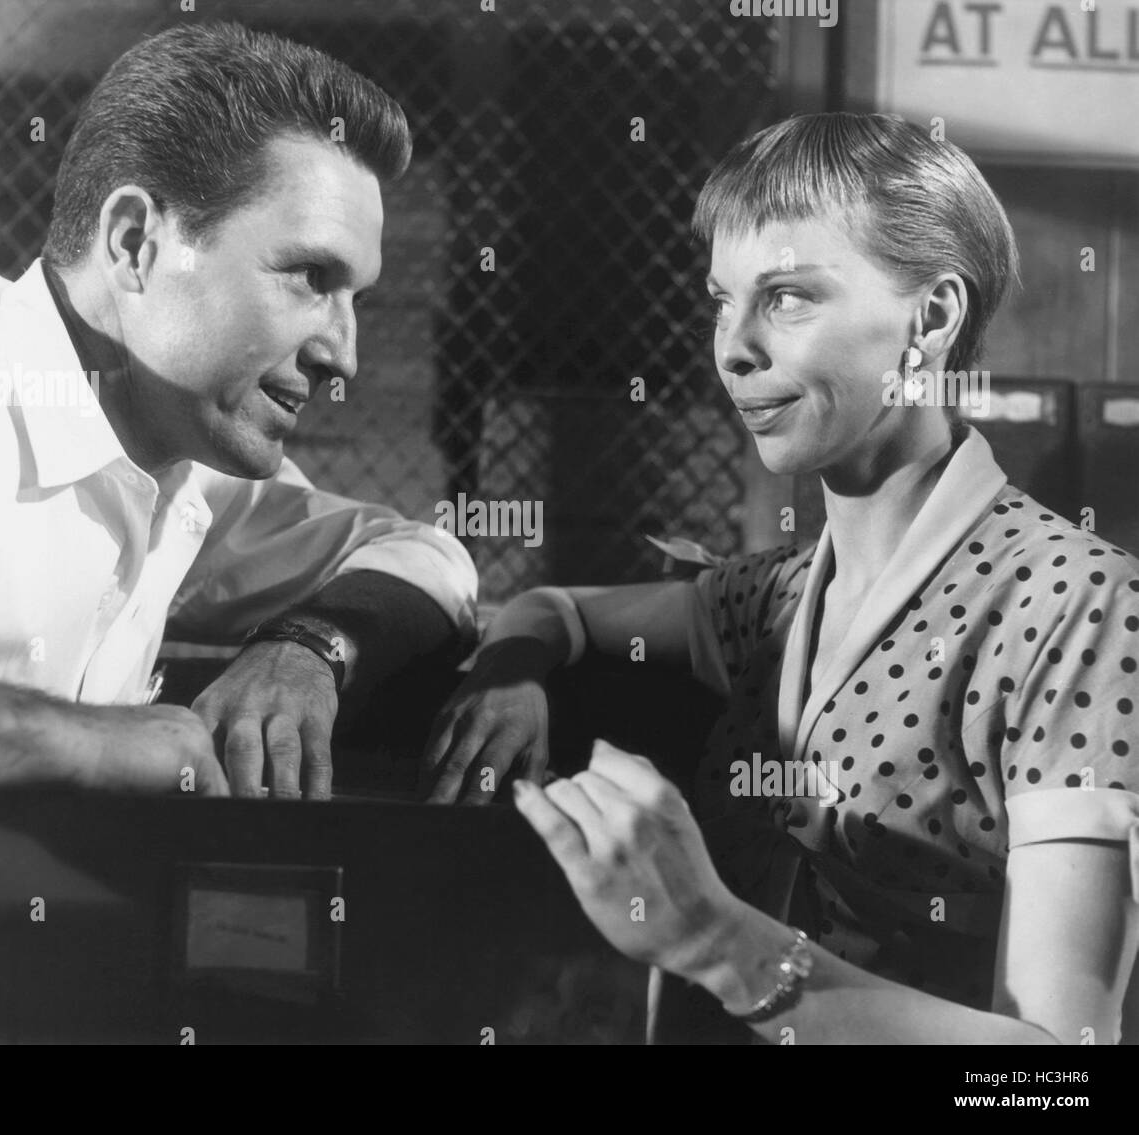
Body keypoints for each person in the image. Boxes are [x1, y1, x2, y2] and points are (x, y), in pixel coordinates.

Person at [424, 113, 1139, 1043]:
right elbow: (554, 609)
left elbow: (1058, 1080)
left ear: (931, 318)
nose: (733, 347)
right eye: (723, 300)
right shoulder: (771, 596)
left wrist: (719, 939)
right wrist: (507, 677)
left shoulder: (1078, 604)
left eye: (790, 297)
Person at [0, 23, 477, 802]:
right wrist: (85, 744)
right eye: (311, 275)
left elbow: (429, 557)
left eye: (359, 299)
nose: (344, 354)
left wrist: (307, 647)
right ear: (137, 243)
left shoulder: (185, 470)